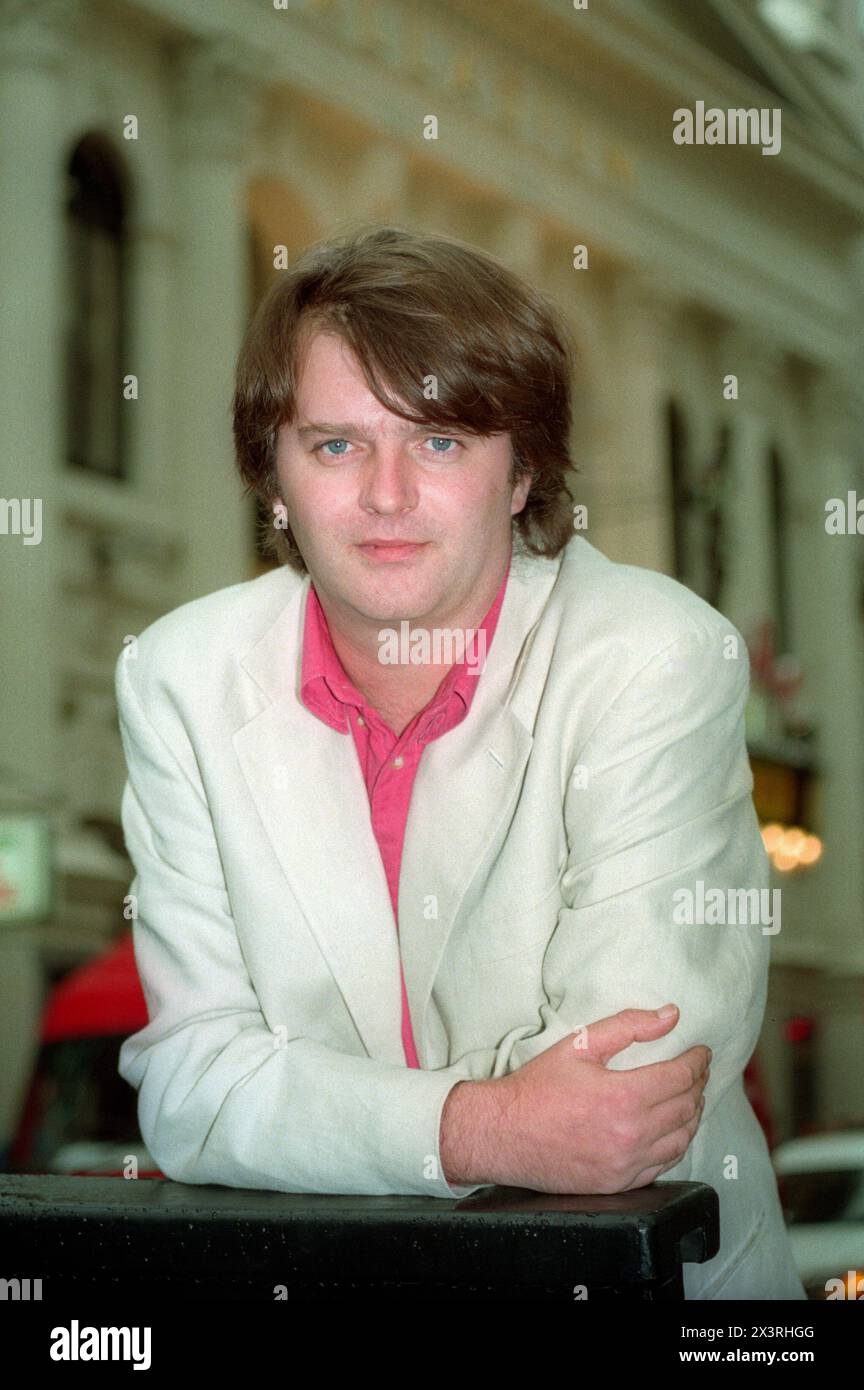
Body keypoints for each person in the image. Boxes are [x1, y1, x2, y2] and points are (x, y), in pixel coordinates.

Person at [115, 224, 805, 1300]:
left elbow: (622, 1106)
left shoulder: (651, 656)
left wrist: (320, 1115)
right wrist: (480, 1125)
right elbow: (193, 1087)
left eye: (440, 442)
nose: (387, 495)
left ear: (523, 471)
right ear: (273, 478)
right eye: (336, 445)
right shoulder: (180, 677)